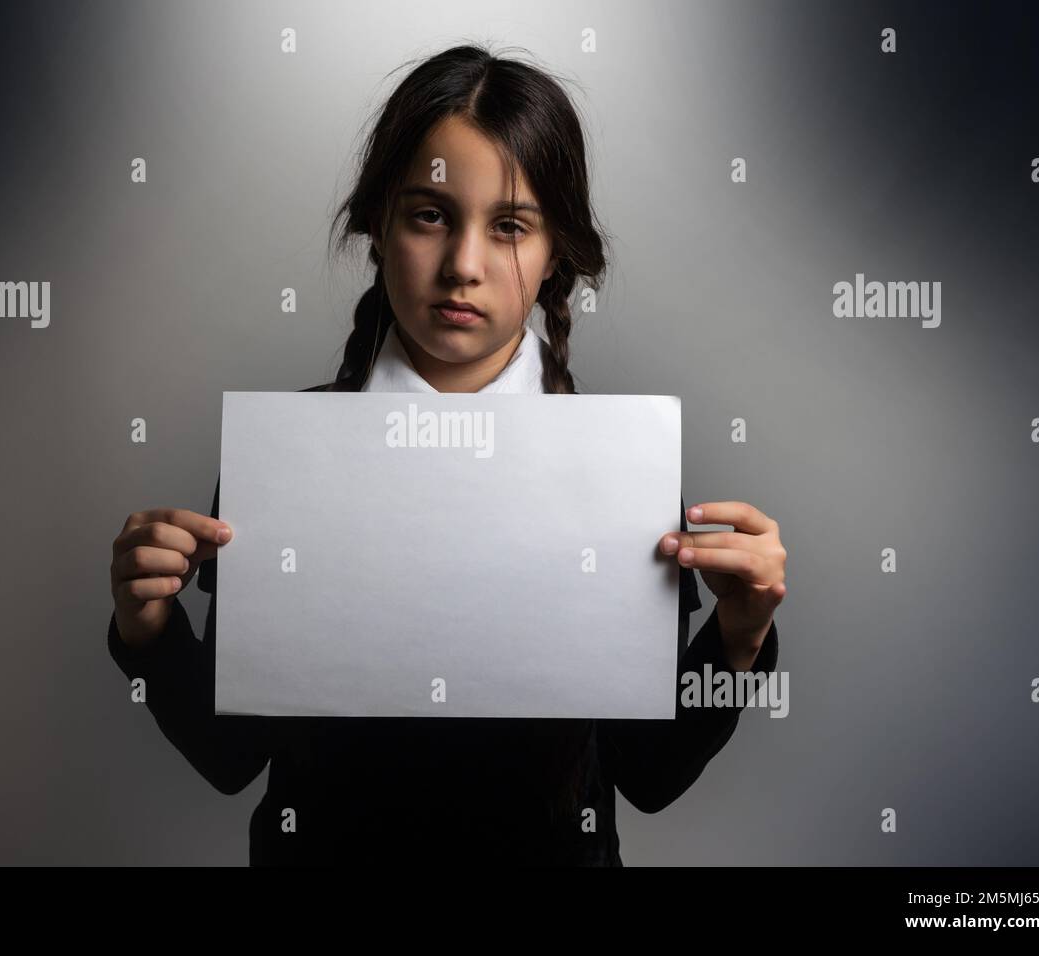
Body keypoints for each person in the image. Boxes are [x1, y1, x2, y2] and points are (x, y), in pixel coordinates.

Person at [107, 43, 786, 865]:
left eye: (508, 227)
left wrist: (739, 636)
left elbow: (645, 775)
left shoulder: (619, 470)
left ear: (553, 253)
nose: (463, 266)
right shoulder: (284, 463)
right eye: (429, 213)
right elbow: (232, 759)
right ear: (377, 224)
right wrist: (150, 633)